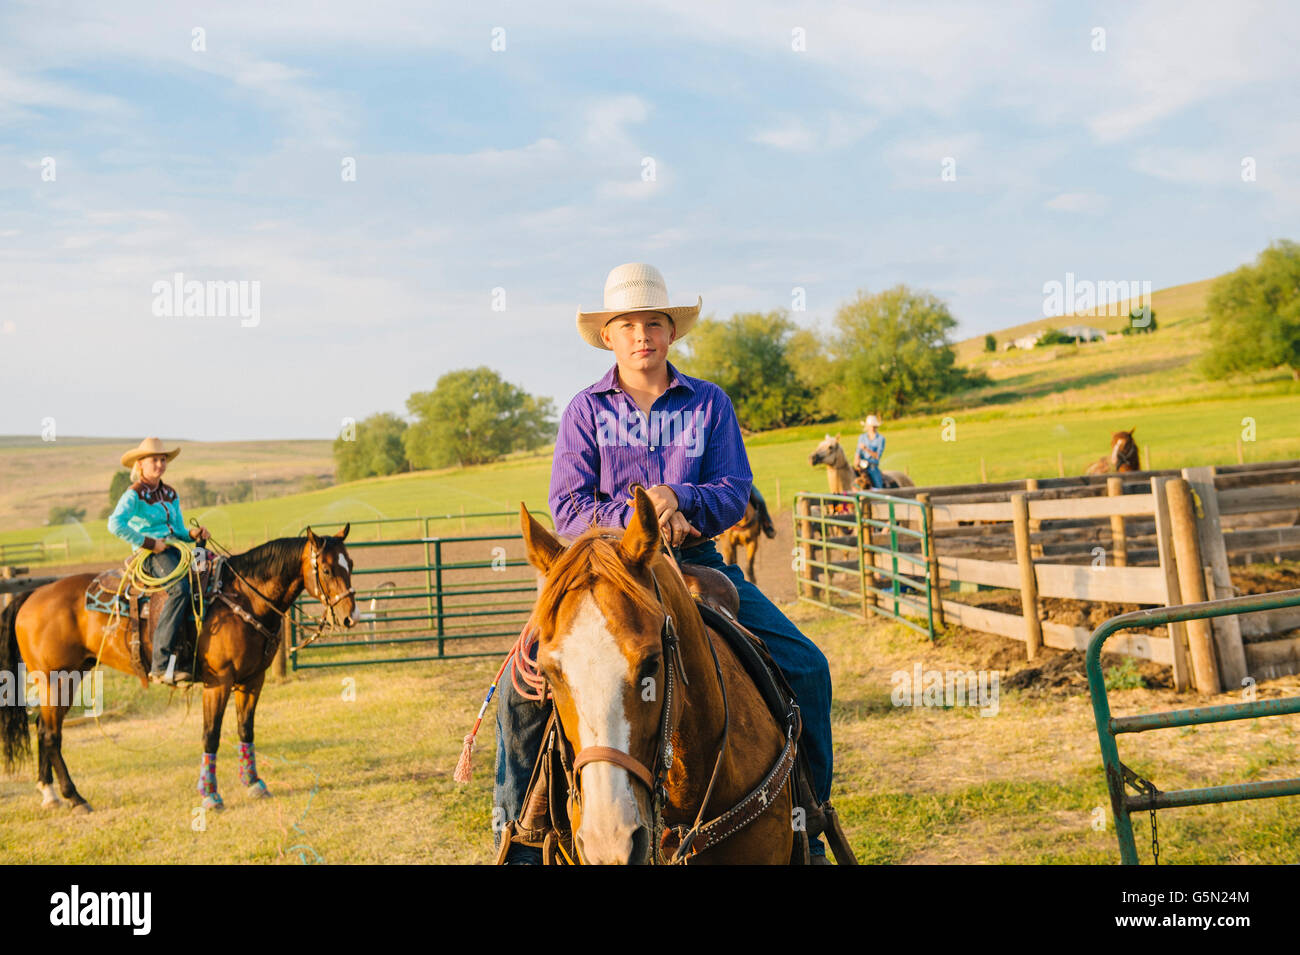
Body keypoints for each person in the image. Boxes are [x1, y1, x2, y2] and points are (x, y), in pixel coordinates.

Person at [494, 262, 835, 863]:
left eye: (654, 322)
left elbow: (734, 490)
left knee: (807, 666)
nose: (641, 334)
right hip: (607, 574)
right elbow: (567, 506)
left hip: (698, 564)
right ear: (608, 336)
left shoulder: (709, 404)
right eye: (627, 324)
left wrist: (681, 500)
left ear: (671, 331)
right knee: (518, 691)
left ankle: (805, 820)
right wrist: (636, 525)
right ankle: (520, 835)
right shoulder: (584, 412)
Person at [107, 437, 210, 685]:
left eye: (163, 460)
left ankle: (191, 655)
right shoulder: (134, 494)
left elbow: (178, 529)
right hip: (150, 555)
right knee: (179, 590)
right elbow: (115, 524)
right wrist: (150, 543)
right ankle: (161, 664)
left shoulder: (170, 492)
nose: (160, 464)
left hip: (174, 549)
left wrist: (192, 534)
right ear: (140, 464)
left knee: (209, 578)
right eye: (155, 460)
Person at [854, 414, 886, 489]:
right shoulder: (862, 437)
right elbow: (858, 452)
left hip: (872, 466)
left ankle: (880, 495)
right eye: (871, 426)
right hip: (861, 466)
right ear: (867, 426)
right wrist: (856, 460)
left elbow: (877, 456)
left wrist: (866, 449)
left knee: (878, 486)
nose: (872, 428)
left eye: (874, 426)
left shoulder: (880, 439)